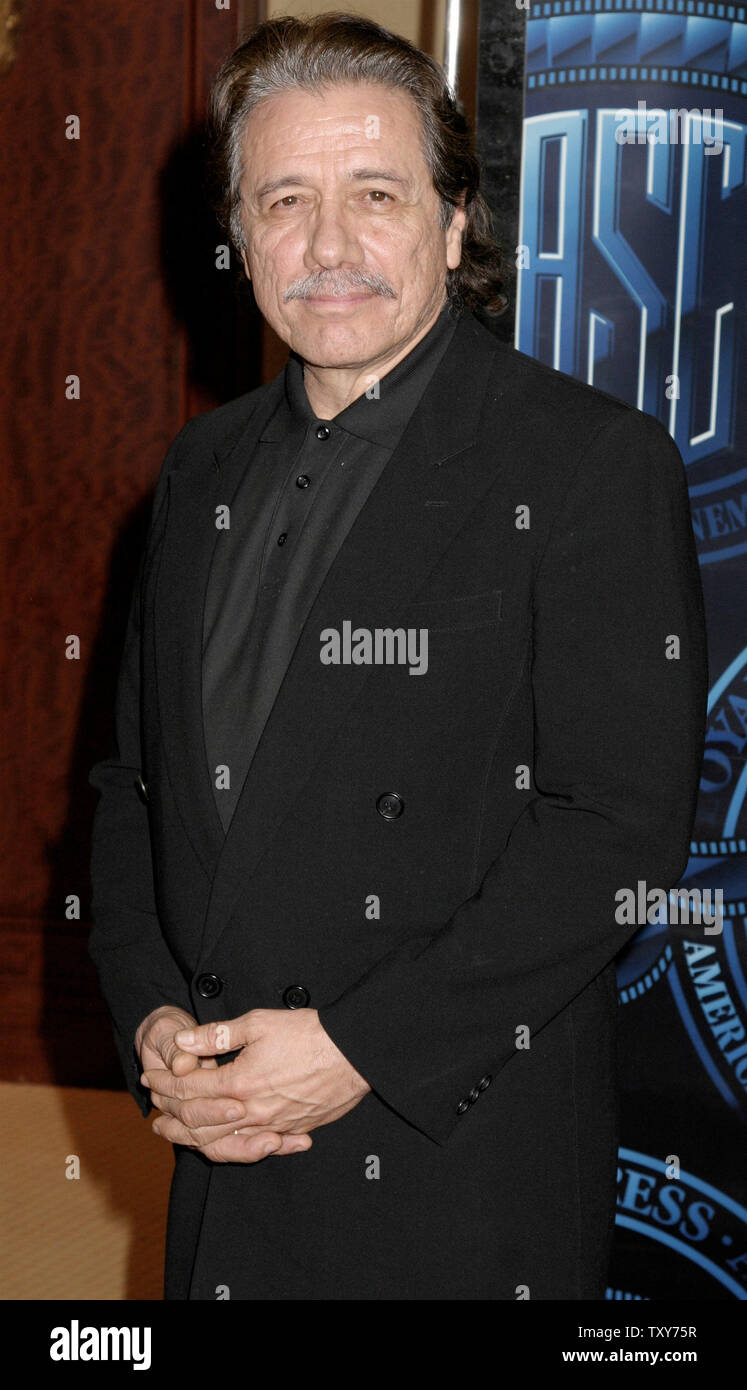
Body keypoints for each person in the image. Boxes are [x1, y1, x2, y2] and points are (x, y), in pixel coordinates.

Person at [88, 12, 708, 1300]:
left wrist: (358, 1047)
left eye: (375, 195)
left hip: (455, 1160)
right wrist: (156, 1027)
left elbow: (620, 831)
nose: (327, 248)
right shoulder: (197, 469)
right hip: (224, 1149)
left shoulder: (587, 464)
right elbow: (129, 791)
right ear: (239, 237)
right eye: (284, 201)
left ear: (453, 221)